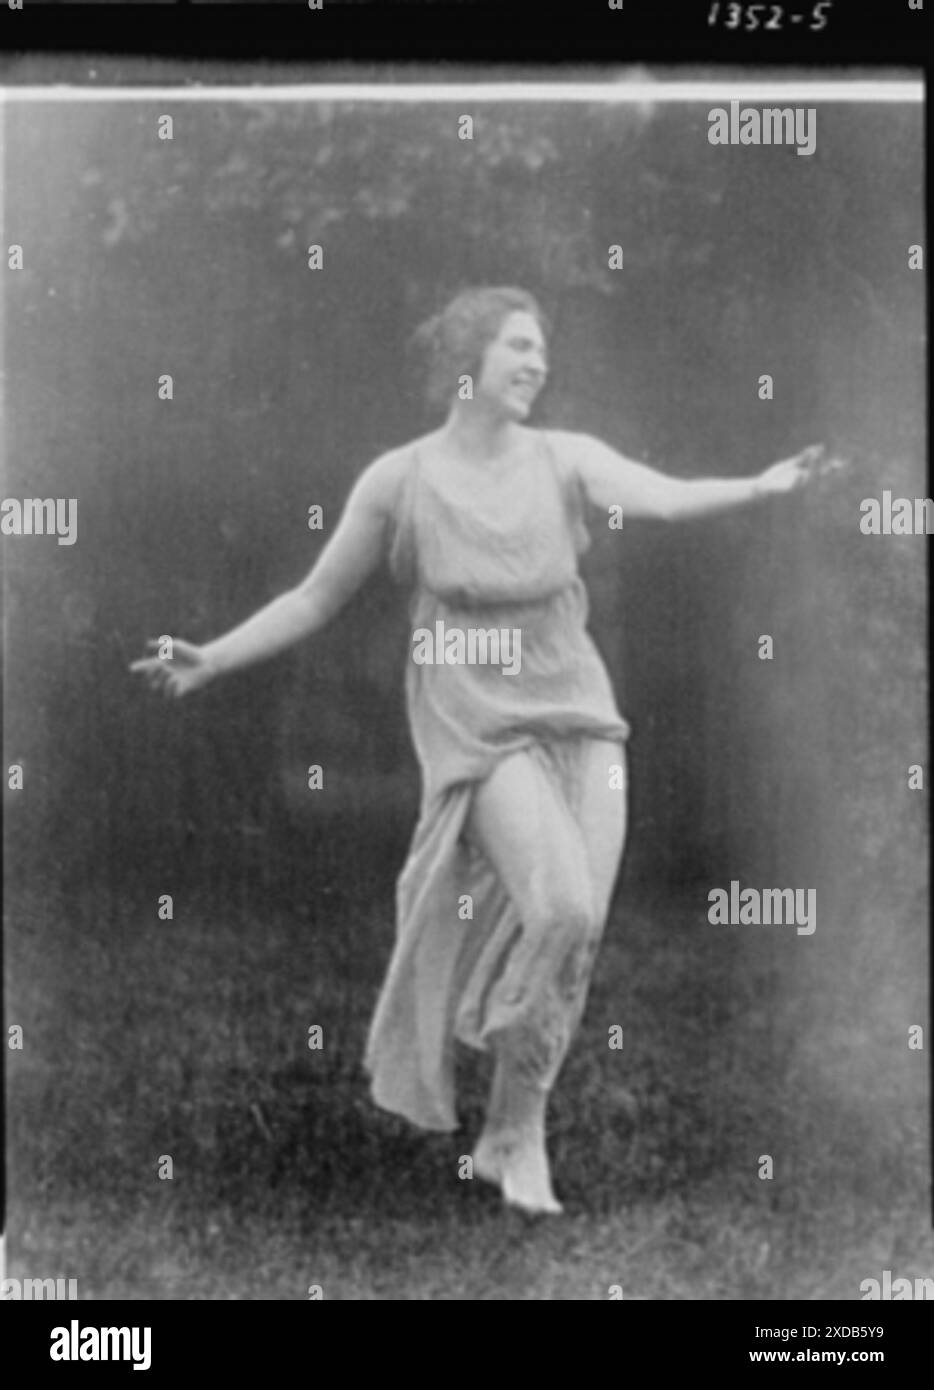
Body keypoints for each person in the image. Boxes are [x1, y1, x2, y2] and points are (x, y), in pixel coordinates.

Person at [130, 285, 829, 1215]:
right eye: (518, 347)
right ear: (468, 361)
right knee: (563, 904)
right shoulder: (398, 480)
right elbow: (313, 597)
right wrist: (211, 657)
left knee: (573, 933)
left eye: (543, 350)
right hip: (473, 716)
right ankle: (497, 1055)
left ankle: (515, 1135)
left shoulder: (564, 458)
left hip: (579, 706)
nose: (538, 364)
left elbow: (658, 496)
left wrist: (758, 486)